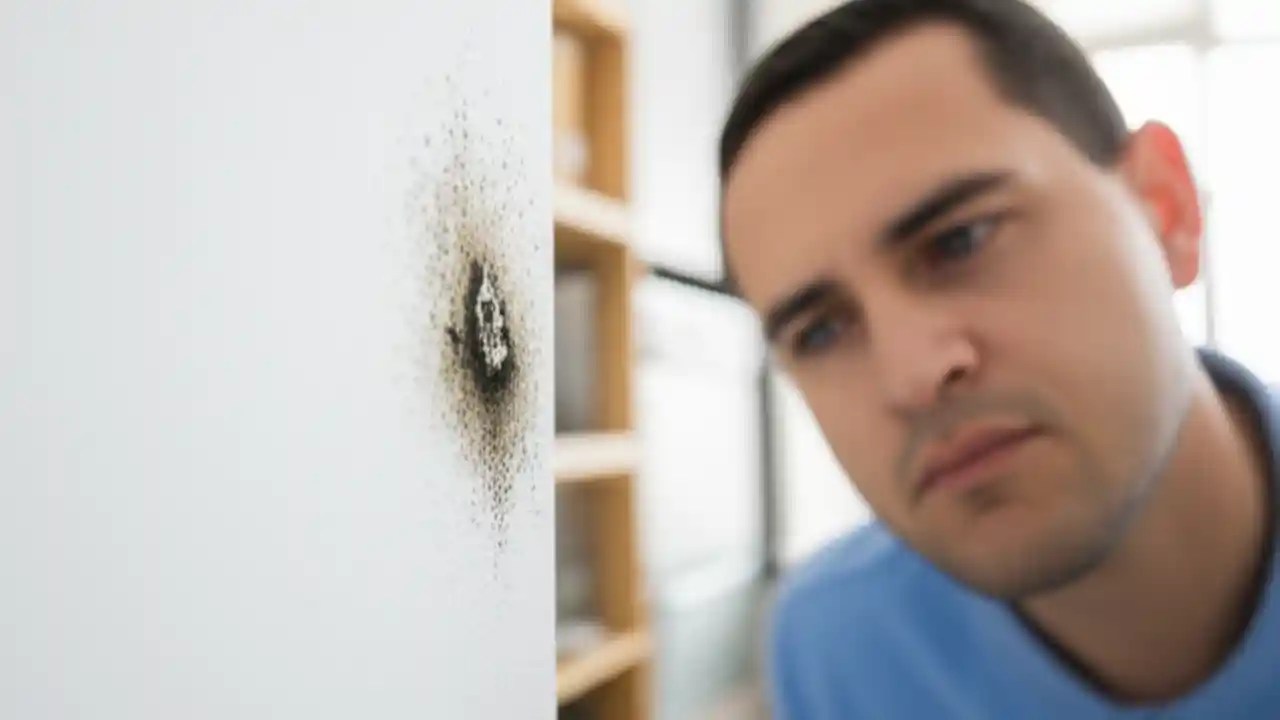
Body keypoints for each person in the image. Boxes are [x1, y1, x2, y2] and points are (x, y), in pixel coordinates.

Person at [718, 0, 1280, 717]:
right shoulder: (833, 645)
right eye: (820, 333)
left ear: (1163, 209)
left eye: (961, 240)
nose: (912, 377)